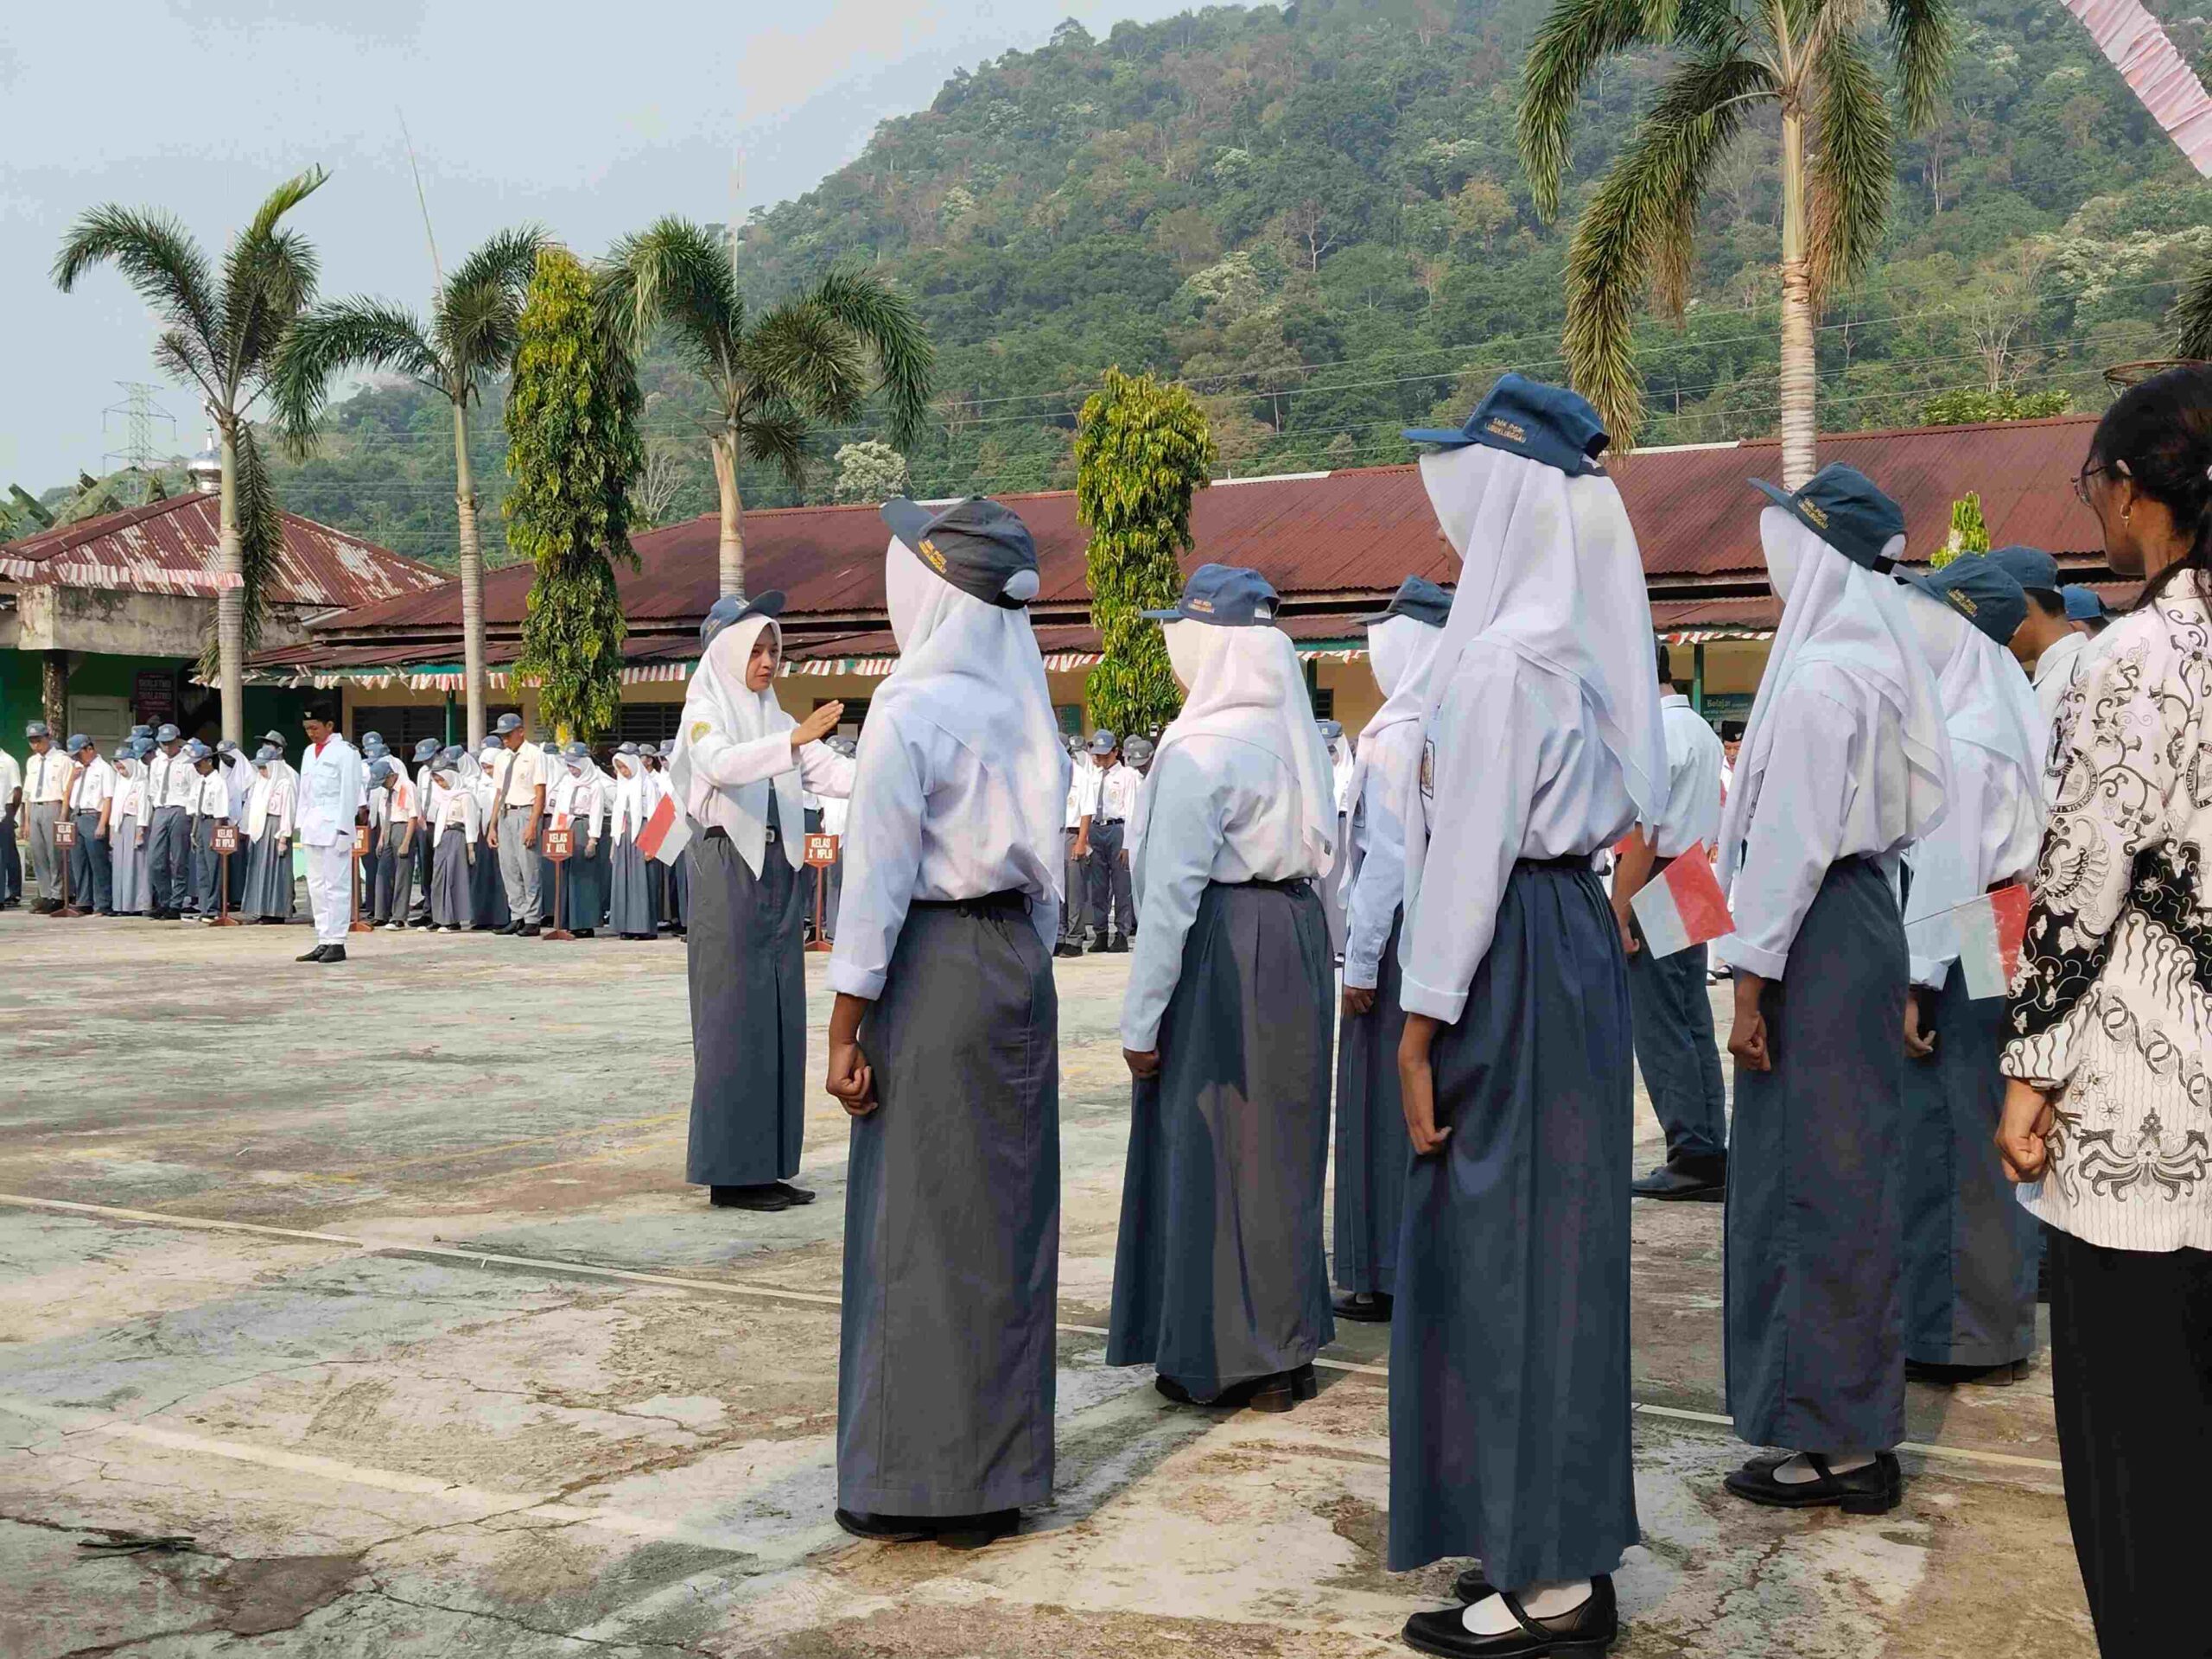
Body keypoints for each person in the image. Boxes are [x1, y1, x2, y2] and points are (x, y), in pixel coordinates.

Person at [1387, 378, 1664, 1658]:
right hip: (1565, 949)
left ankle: (1548, 1578)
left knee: (1513, 1262)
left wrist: (1418, 1025)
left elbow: (1466, 860)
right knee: (1557, 1256)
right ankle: (1545, 1542)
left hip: (1504, 950)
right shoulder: (1585, 653)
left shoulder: (1503, 662)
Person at [1995, 366, 2212, 1657]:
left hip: (2149, 1109)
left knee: (2142, 1470)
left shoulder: (2132, 660)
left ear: (2134, 495)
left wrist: (2028, 1074)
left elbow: (2080, 890)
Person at [823, 496, 1065, 1549]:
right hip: (1015, 958)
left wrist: (843, 1027)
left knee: (917, 1224)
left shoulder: (908, 705)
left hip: (930, 964)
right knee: (1003, 1223)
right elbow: (1050, 881)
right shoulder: (1026, 704)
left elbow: (876, 883)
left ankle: (917, 1481)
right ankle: (997, 1474)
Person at [1713, 464, 1951, 1520]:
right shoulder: (1869, 662)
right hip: (1858, 923)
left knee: (1812, 1188)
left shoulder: (1818, 680)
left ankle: (1841, 1438)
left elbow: (1787, 850)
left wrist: (1749, 983)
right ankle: (1832, 1426)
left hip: (1812, 936)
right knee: (1840, 1179)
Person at [1107, 563, 1338, 1414]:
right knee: (1281, 1149)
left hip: (1225, 944)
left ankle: (1229, 1357)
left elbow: (1167, 899)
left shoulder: (1201, 747)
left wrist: (1141, 1019)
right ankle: (1288, 1348)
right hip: (1296, 935)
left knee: (1215, 1151)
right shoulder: (1290, 733)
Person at [1892, 558, 2047, 1388]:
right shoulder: (2004, 706)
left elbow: (1947, 867)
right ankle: (1995, 1318)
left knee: (1950, 1128)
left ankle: (1955, 1331)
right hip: (2003, 922)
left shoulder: (1962, 734)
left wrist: (1916, 982)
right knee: (1987, 1116)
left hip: (1965, 934)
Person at [673, 593, 854, 1211]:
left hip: (779, 867)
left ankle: (769, 1163)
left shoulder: (774, 717)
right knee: (732, 1019)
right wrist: (794, 742)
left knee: (777, 1015)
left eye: (774, 649)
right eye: (756, 649)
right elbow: (718, 765)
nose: (767, 660)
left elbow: (828, 771)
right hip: (728, 866)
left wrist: (900, 769)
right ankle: (731, 1172)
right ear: (726, 651)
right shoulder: (705, 710)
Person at [1332, 574, 1451, 1324]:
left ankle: (1381, 1267)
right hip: (1447, 931)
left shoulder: (1394, 735)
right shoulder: (1450, 718)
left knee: (1382, 1108)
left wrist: (1362, 959)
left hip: (1400, 938)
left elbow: (1384, 862)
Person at [1615, 641, 1731, 1201]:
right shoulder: (1702, 731)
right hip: (1694, 874)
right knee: (1693, 1019)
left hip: (1659, 875)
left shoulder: (1654, 735)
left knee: (1661, 1026)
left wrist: (1619, 909)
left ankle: (1689, 1150)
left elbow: (1643, 833)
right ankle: (1708, 1147)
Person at [1983, 544, 2085, 742]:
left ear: (2020, 605)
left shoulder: (2060, 687)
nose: (1989, 628)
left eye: (1992, 612)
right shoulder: (2086, 663)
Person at [294, 707, 367, 964]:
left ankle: (337, 941)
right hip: (313, 827)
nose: (311, 733)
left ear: (330, 725)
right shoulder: (308, 753)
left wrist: (345, 830)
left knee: (336, 886)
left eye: (315, 727)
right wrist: (300, 825)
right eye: (307, 729)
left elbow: (350, 793)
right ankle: (323, 938)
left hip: (336, 825)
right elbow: (305, 793)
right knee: (315, 887)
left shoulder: (346, 753)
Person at [486, 714, 544, 937]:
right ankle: (516, 915)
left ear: (520, 731)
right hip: (506, 813)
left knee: (529, 868)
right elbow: (499, 793)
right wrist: (492, 826)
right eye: (501, 736)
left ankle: (532, 918)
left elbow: (540, 793)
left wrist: (532, 825)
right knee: (509, 868)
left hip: (525, 812)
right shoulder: (502, 758)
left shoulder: (535, 755)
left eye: (508, 735)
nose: (505, 740)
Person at [1084, 729, 1137, 951]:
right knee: (1098, 886)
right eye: (1098, 755)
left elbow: (1132, 810)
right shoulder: (1093, 776)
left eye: (1106, 755)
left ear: (1116, 752)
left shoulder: (1127, 776)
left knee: (1121, 884)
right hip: (1097, 830)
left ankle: (1122, 933)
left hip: (1117, 829)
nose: (1101, 759)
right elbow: (1086, 807)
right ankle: (1101, 933)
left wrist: (1127, 844)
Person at [549, 741, 609, 937]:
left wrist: (593, 839)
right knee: (567, 876)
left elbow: (596, 812)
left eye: (574, 765)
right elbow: (560, 809)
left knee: (584, 878)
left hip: (584, 828)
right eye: (569, 765)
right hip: (566, 828)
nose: (571, 769)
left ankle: (585, 922)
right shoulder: (566, 782)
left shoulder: (595, 785)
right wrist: (554, 832)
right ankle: (567, 920)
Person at [141, 723, 193, 920]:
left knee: (179, 860)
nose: (166, 747)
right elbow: (153, 787)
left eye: (170, 743)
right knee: (155, 860)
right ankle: (164, 899)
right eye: (163, 743)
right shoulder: (157, 762)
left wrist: (189, 812)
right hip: (161, 809)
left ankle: (176, 904)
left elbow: (193, 789)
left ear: (178, 741)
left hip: (180, 809)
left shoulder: (188, 761)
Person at [605, 744, 656, 940]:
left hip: (642, 831)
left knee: (641, 880)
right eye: (619, 768)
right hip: (624, 835)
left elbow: (654, 814)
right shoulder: (622, 785)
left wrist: (652, 844)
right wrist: (613, 844)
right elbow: (619, 814)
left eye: (625, 767)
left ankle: (643, 927)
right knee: (622, 879)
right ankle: (625, 925)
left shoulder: (647, 784)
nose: (623, 772)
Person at [239, 747, 296, 924]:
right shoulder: (260, 784)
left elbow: (288, 812)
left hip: (276, 829)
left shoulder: (285, 784)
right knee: (260, 870)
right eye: (260, 768)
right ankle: (261, 909)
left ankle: (276, 912)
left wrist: (283, 838)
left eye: (264, 767)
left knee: (276, 872)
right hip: (261, 829)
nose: (261, 771)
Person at [1057, 730, 1098, 957]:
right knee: (1057, 891)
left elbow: (1087, 811)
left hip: (1073, 835)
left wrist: (1081, 841)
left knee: (1074, 890)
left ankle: (1074, 938)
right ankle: (1059, 935)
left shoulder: (1080, 775)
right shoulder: (1049, 774)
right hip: (1053, 836)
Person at [65, 734, 116, 915]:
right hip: (77, 815)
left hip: (94, 815)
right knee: (79, 861)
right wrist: (72, 778)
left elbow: (108, 798)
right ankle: (84, 899)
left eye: (79, 753)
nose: (77, 758)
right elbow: (68, 794)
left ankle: (103, 902)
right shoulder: (77, 768)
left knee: (98, 862)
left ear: (90, 749)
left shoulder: (103, 769)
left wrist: (102, 824)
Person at [425, 755, 478, 931]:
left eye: (442, 780)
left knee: (453, 878)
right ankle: (438, 917)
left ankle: (452, 920)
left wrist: (471, 847)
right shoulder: (444, 797)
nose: (441, 784)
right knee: (438, 878)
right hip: (442, 838)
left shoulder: (465, 796)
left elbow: (471, 821)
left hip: (457, 836)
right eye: (437, 780)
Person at [22, 722, 69, 912]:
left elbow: (67, 790)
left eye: (38, 740)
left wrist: (64, 814)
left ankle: (57, 895)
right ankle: (45, 893)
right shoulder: (32, 762)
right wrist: (26, 820)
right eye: (32, 741)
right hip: (35, 806)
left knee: (54, 852)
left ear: (47, 738)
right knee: (38, 853)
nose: (35, 745)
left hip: (53, 805)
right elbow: (28, 793)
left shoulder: (62, 759)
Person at [368, 758, 417, 930]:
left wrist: (406, 842)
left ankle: (399, 916)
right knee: (382, 872)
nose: (383, 785)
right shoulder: (384, 791)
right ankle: (380, 913)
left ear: (391, 776)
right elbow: (384, 815)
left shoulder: (406, 786)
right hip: (388, 828)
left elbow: (413, 815)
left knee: (402, 874)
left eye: (384, 781)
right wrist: (381, 838)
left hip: (403, 827)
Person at [186, 741, 229, 918]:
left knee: (213, 869)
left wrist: (215, 834)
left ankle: (213, 907)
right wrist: (193, 832)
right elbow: (195, 809)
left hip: (213, 823)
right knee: (201, 869)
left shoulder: (218, 783)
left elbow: (221, 811)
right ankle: (204, 907)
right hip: (201, 823)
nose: (196, 768)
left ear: (208, 761)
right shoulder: (199, 783)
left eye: (199, 764)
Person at [109, 743, 151, 917]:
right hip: (120, 826)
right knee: (120, 866)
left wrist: (140, 831)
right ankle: (121, 905)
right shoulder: (120, 783)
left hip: (135, 826)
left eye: (123, 765)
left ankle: (139, 904)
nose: (120, 769)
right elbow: (115, 808)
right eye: (117, 766)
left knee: (136, 866)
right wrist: (112, 830)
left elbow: (144, 808)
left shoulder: (141, 783)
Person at [658, 738, 688, 937]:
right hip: (667, 828)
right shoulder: (662, 779)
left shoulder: (683, 776)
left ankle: (687, 921)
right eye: (661, 759)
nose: (663, 762)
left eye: (666, 758)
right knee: (672, 878)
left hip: (683, 828)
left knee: (685, 877)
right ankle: (676, 918)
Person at [0, 733, 21, 909]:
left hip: (6, 808)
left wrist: (12, 812)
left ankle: (14, 892)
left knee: (8, 852)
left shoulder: (8, 761)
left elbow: (17, 790)